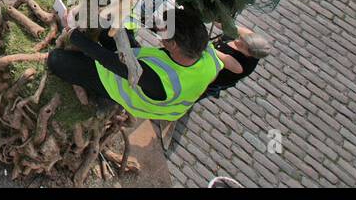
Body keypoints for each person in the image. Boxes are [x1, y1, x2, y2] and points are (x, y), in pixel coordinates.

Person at [46, 6, 222, 121]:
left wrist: (73, 35)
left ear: (174, 44)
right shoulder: (205, 51)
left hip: (121, 85)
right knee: (106, 26)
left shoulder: (159, 79)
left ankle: (104, 97)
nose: (158, 31)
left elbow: (111, 62)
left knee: (56, 60)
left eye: (163, 32)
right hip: (137, 64)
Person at [206, 25, 272, 96]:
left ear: (249, 54)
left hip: (212, 79)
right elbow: (225, 25)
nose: (237, 41)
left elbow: (208, 50)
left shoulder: (239, 66)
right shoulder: (250, 38)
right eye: (241, 38)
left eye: (241, 45)